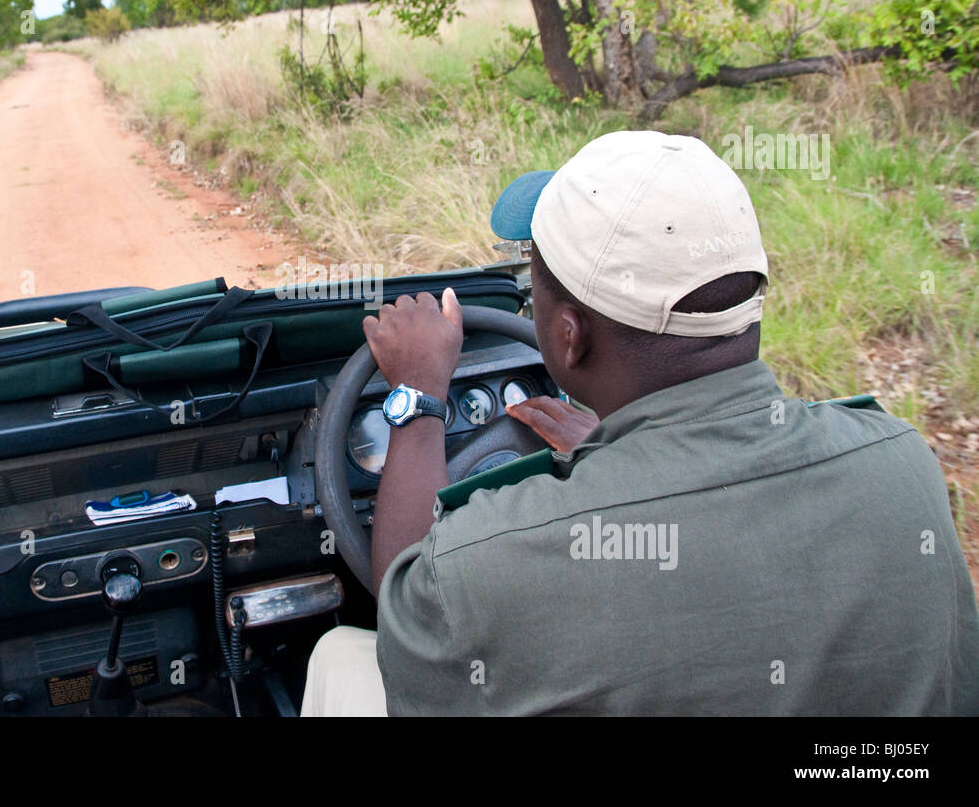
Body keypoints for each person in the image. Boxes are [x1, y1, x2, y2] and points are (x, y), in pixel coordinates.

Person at [301, 130, 979, 716]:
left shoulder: (484, 569)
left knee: (338, 654)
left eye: (530, 279)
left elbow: (408, 618)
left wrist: (418, 400)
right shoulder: (902, 462)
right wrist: (614, 450)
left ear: (567, 339)